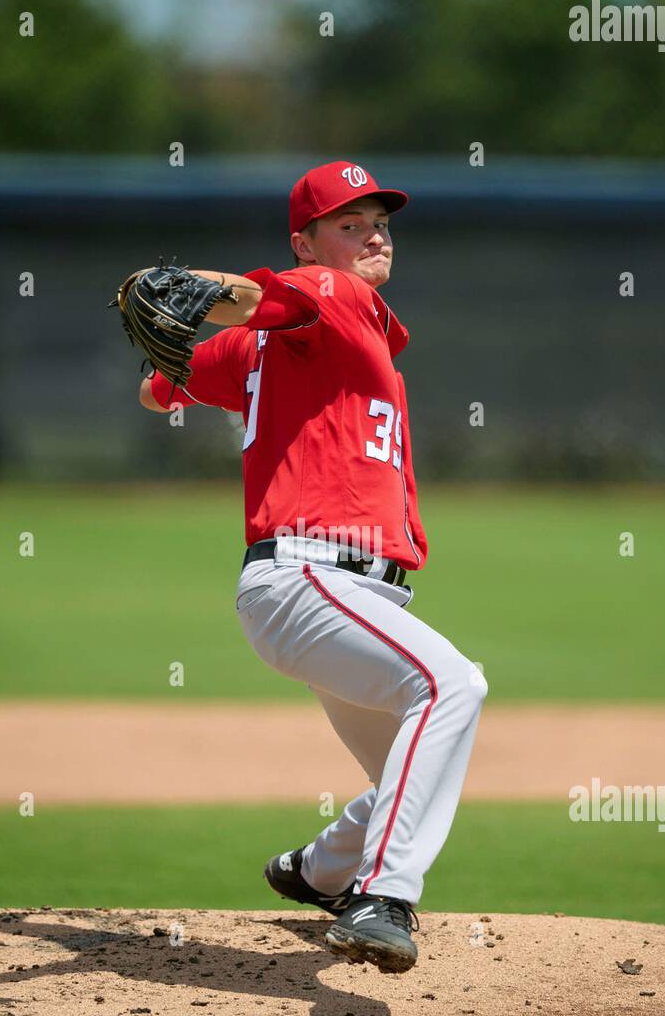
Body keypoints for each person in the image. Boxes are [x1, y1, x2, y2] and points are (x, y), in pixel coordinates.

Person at [139, 160, 488, 973]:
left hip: (340, 594)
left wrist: (172, 368)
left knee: (415, 768)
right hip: (312, 579)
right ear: (305, 243)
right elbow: (275, 299)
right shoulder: (335, 295)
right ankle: (383, 896)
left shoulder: (285, 347)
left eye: (382, 224)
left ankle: (319, 871)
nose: (374, 235)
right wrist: (197, 285)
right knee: (451, 688)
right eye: (349, 223)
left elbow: (163, 388)